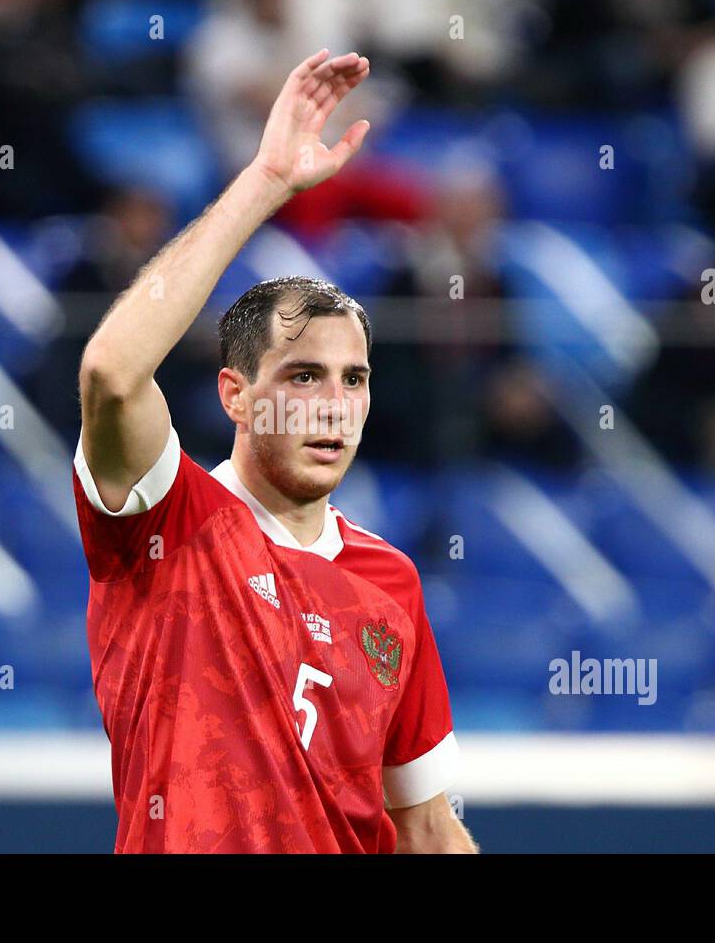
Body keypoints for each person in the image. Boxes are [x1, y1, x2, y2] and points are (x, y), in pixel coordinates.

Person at [73, 49, 475, 853]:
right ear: (235, 396)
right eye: (302, 376)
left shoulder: (389, 583)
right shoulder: (169, 520)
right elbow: (114, 376)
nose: (333, 403)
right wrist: (264, 183)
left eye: (353, 378)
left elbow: (427, 828)